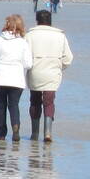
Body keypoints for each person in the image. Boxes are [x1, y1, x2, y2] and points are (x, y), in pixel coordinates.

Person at [25, 9, 73, 143]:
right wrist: (59, 66)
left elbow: (25, 56)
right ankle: (47, 133)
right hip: (52, 73)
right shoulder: (60, 36)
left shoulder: (30, 35)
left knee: (34, 102)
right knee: (49, 102)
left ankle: (34, 134)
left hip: (35, 71)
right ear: (50, 21)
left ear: (37, 21)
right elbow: (68, 58)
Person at [0, 14, 33, 141]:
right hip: (16, 79)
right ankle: (15, 128)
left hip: (0, 79)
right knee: (14, 105)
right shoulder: (23, 43)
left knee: (1, 105)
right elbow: (28, 63)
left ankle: (1, 134)